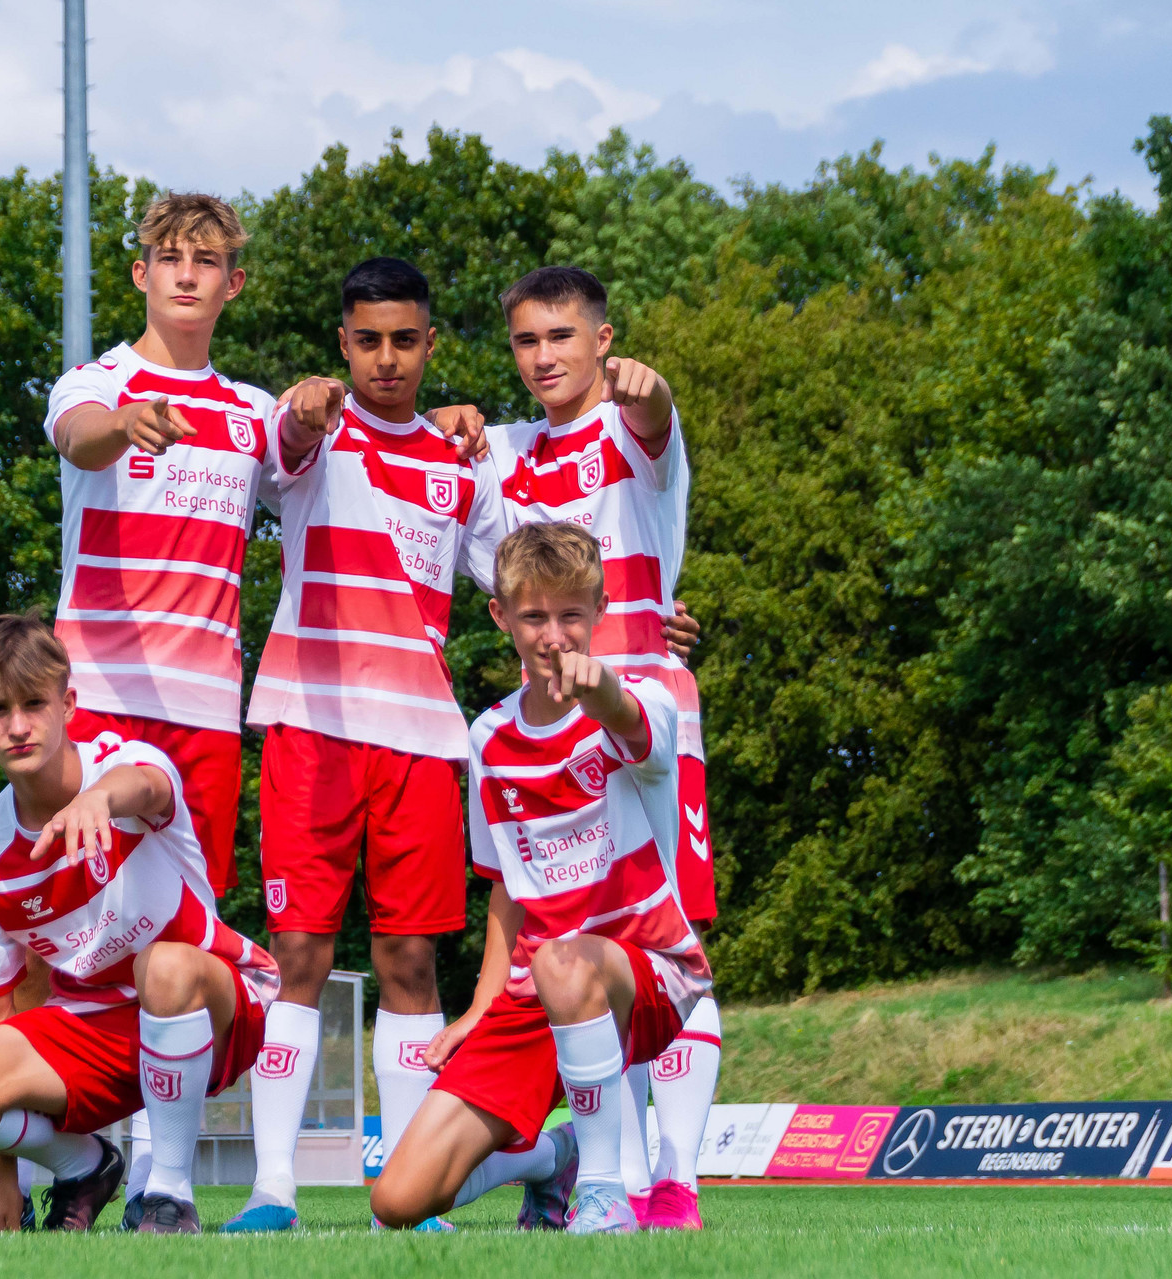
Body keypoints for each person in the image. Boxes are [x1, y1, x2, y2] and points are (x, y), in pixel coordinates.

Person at [43, 198, 483, 1223]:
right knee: (63, 932)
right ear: (141, 273)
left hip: (208, 705)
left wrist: (452, 420)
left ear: (233, 282)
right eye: (169, 258)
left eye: (208, 261)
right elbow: (80, 437)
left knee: (181, 940)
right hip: (99, 699)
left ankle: (167, 1180)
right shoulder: (99, 380)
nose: (187, 275)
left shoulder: (252, 411)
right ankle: (38, 1173)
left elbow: (299, 444)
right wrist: (128, 426)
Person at [226, 257, 499, 1233]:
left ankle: (415, 1197)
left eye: (405, 339)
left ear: (430, 344)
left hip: (422, 739)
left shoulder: (465, 461)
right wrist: (301, 411)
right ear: (344, 342)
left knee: (413, 966)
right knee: (295, 949)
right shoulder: (310, 431)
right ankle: (272, 1190)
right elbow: (281, 445)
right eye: (367, 339)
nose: (386, 358)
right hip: (311, 725)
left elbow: (517, 579)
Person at [370, 522, 711, 1235]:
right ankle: (550, 1161)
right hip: (540, 983)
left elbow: (626, 714)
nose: (553, 634)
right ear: (500, 616)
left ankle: (604, 1191)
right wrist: (479, 1010)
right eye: (533, 615)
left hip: (646, 968)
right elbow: (508, 890)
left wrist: (600, 690)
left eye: (570, 614)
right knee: (397, 1201)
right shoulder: (488, 738)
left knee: (565, 961)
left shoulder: (641, 701)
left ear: (600, 611)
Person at [480, 265, 722, 1229]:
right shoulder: (503, 452)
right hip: (552, 727)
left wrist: (650, 387)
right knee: (591, 944)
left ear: (603, 338)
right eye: (527, 341)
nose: (545, 356)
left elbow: (660, 422)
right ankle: (610, 1177)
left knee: (680, 944)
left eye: (562, 337)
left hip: (647, 713)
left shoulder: (631, 421)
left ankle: (679, 1182)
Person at [0, 614, 280, 1235]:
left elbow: (149, 786)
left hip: (214, 1005)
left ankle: (169, 1194)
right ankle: (84, 1165)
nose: (18, 726)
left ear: (68, 704)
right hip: (93, 1033)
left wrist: (99, 799)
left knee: (163, 963)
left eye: (34, 703)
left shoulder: (119, 763)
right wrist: (4, 1186)